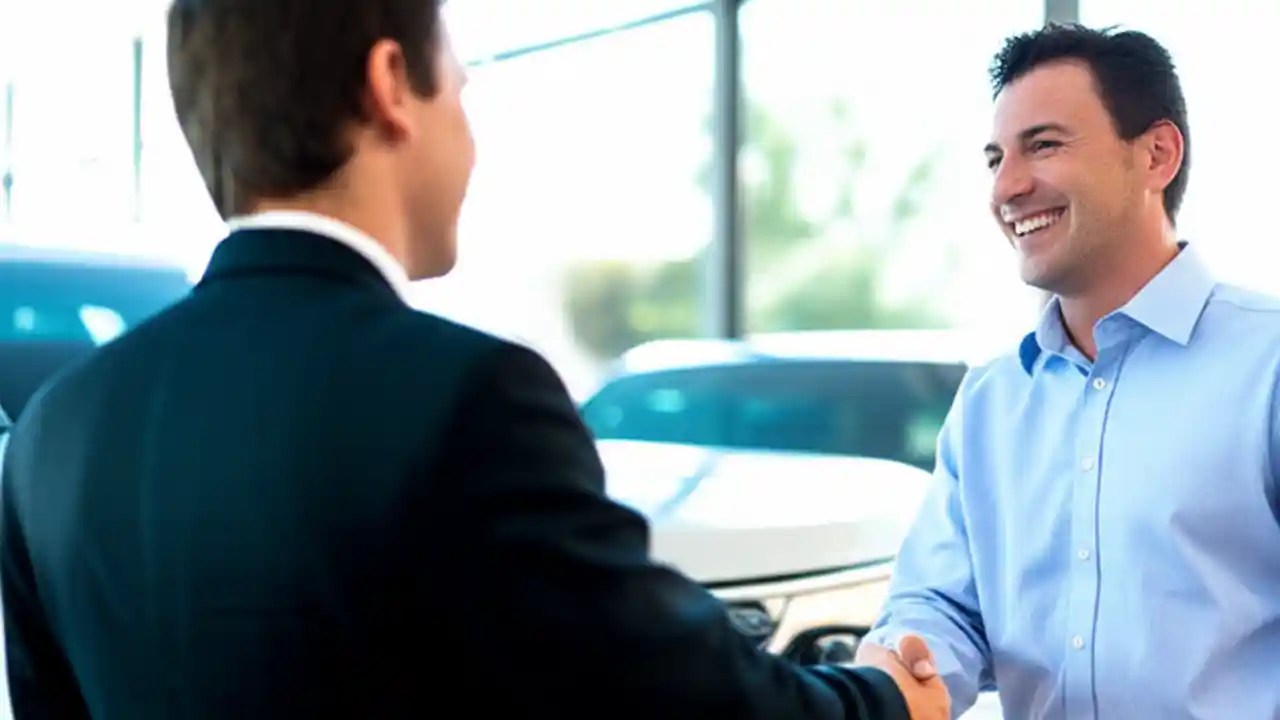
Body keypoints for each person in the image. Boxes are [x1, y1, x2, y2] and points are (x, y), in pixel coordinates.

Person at [0, 2, 948, 718]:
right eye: (460, 84)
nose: (470, 132)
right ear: (388, 87)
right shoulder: (461, 397)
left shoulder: (53, 430)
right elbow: (673, 698)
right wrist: (881, 699)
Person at [853, 22, 1280, 719]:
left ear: (1157, 155)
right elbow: (938, 608)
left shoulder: (1268, 365)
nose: (1008, 187)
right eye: (995, 158)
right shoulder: (990, 400)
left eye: (1044, 145)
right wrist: (896, 668)